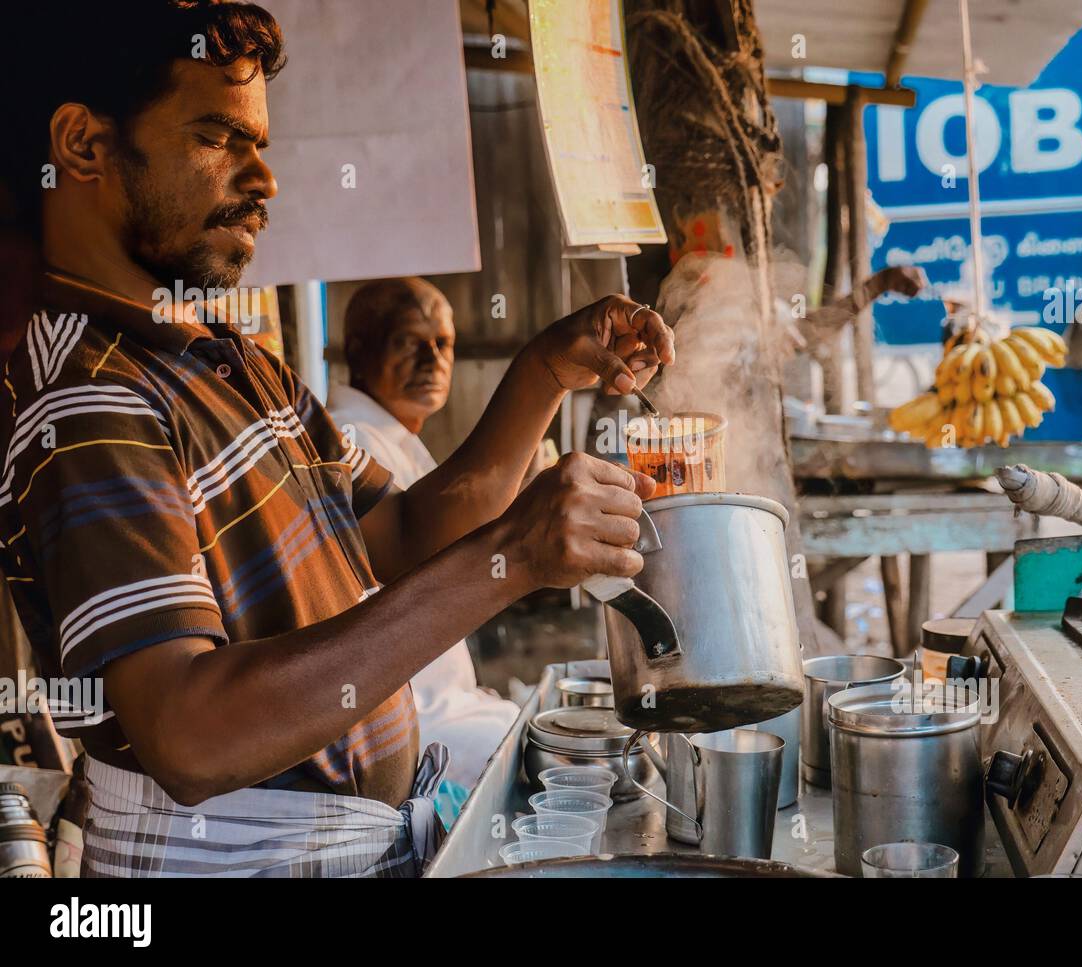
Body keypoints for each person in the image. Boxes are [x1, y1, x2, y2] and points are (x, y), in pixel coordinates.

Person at [3, 0, 672, 876]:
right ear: (83, 146)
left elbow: (398, 536)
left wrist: (546, 369)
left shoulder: (226, 360)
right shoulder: (86, 398)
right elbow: (192, 735)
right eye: (218, 136)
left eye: (262, 146)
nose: (264, 178)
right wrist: (513, 550)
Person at [328, 278, 518, 793]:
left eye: (444, 343)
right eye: (410, 341)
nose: (432, 358)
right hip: (409, 719)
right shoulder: (353, 439)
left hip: (445, 703)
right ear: (360, 350)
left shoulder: (395, 439)